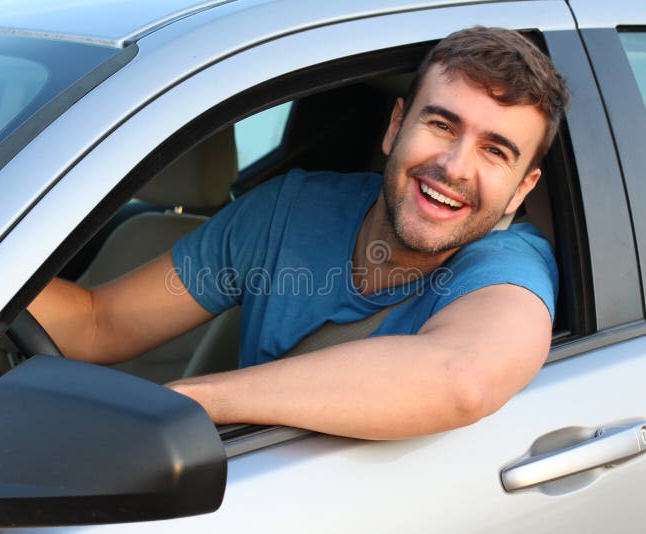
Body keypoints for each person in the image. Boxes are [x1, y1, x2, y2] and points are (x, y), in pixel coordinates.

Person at [28, 26, 570, 440]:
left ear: (522, 189)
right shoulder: (288, 210)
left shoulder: (507, 269)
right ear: (394, 126)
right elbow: (98, 323)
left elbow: (461, 377)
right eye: (441, 125)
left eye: (494, 151)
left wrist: (191, 402)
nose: (453, 166)